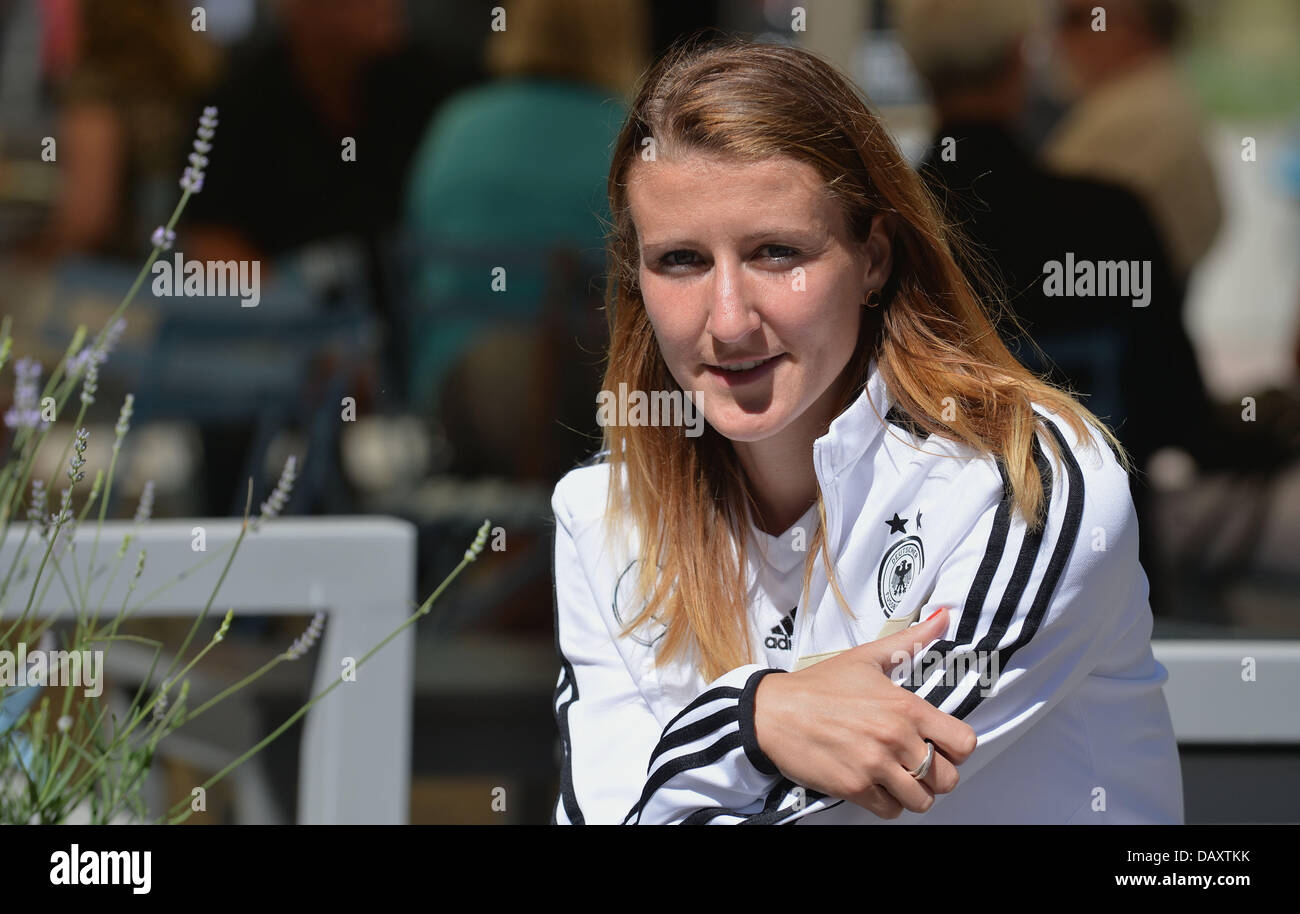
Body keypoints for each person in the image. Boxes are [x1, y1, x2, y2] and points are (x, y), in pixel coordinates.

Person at [550, 38, 1183, 824]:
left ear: (874, 256)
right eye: (680, 260)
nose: (728, 320)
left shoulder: (1029, 482)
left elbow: (858, 802)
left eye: (776, 253)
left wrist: (740, 722)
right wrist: (760, 718)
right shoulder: (604, 516)